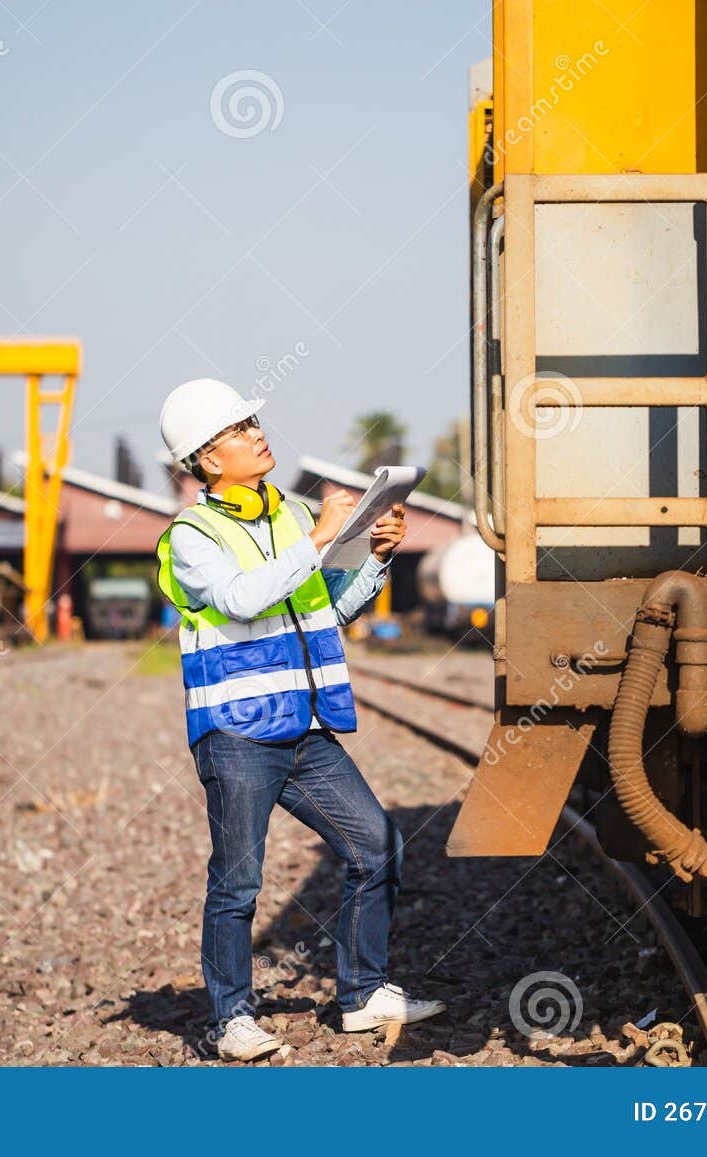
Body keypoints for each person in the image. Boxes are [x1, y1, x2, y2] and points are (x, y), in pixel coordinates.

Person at [154, 378, 446, 1062]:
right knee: (238, 881)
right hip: (237, 734)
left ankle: (362, 993)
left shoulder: (292, 516)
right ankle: (230, 1019)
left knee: (376, 844)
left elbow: (323, 611)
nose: (257, 432)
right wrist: (316, 538)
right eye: (238, 428)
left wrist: (374, 556)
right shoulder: (191, 535)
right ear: (205, 458)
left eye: (253, 420)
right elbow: (240, 596)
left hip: (304, 726)